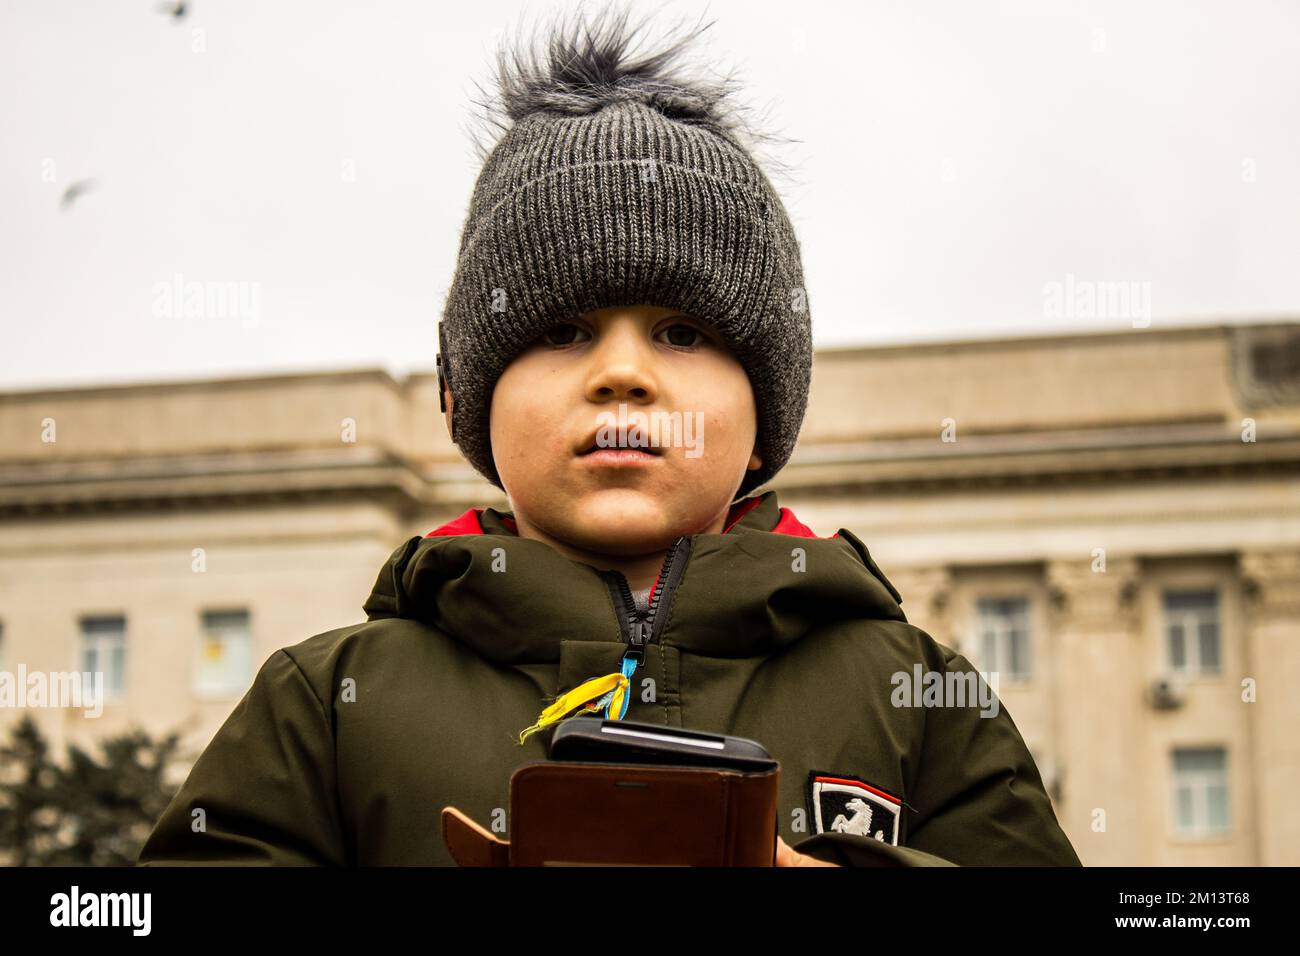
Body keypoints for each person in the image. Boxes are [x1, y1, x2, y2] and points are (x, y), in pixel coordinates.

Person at [137, 5, 1080, 868]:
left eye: (683, 332)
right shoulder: (329, 700)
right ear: (468, 401)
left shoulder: (916, 692)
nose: (621, 373)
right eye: (561, 331)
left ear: (764, 423)